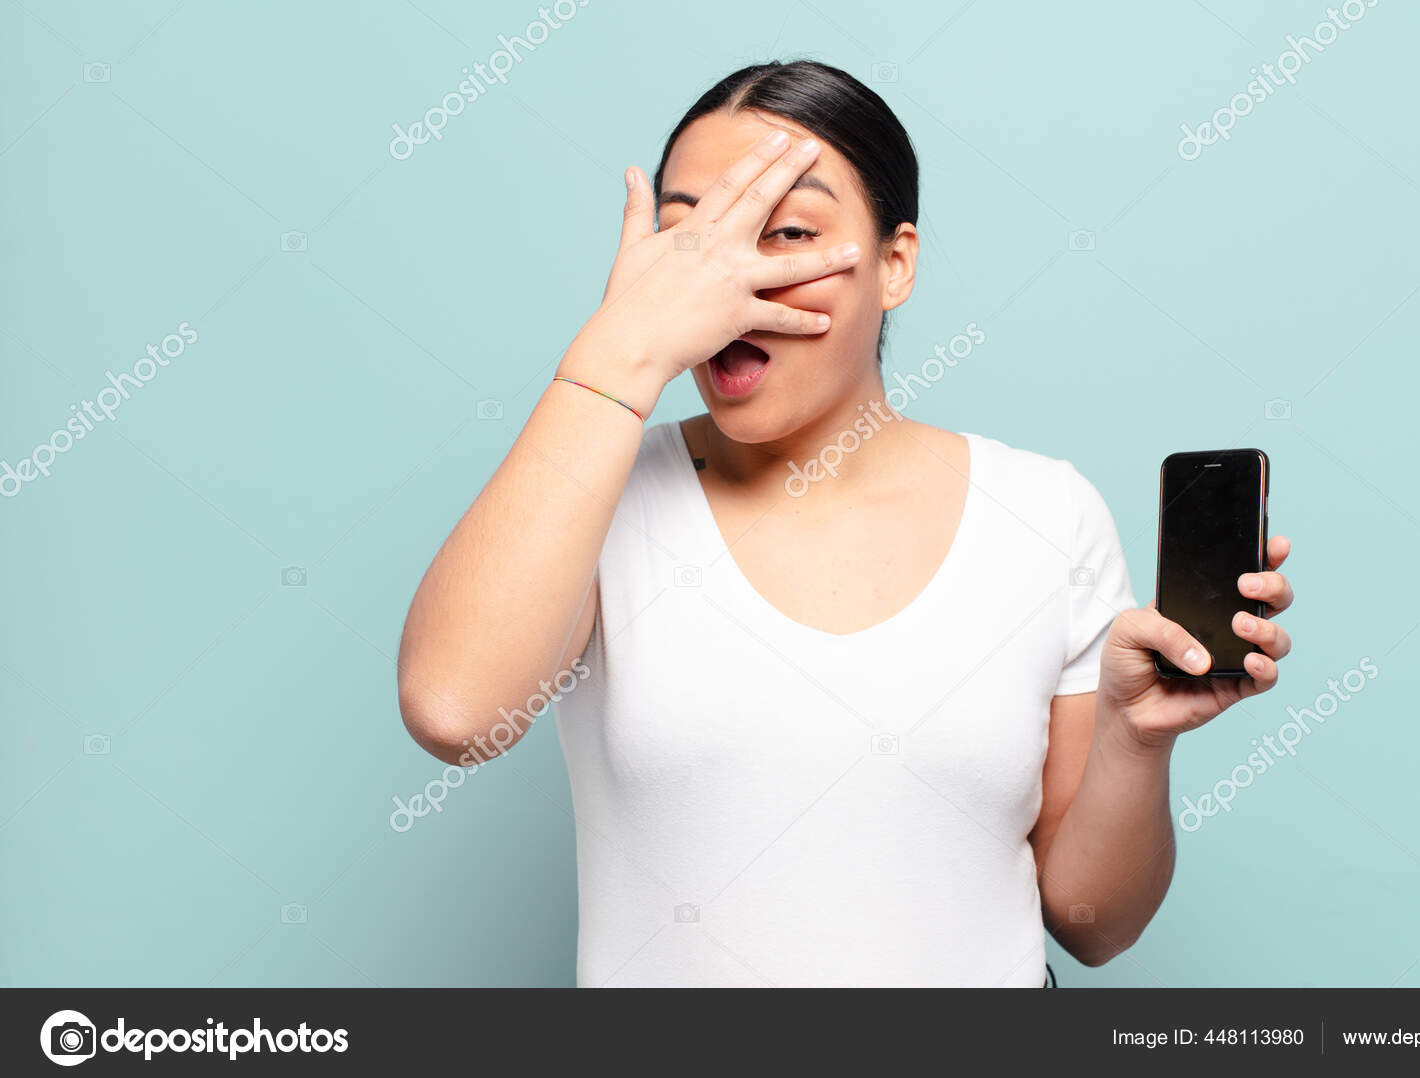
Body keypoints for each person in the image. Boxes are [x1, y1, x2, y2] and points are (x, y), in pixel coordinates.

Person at [397, 60, 1296, 987]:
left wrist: (1135, 742)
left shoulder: (1045, 514)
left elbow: (1094, 925)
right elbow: (454, 714)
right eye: (691, 242)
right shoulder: (597, 496)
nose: (733, 287)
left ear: (894, 264)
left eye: (787, 234)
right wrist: (620, 352)